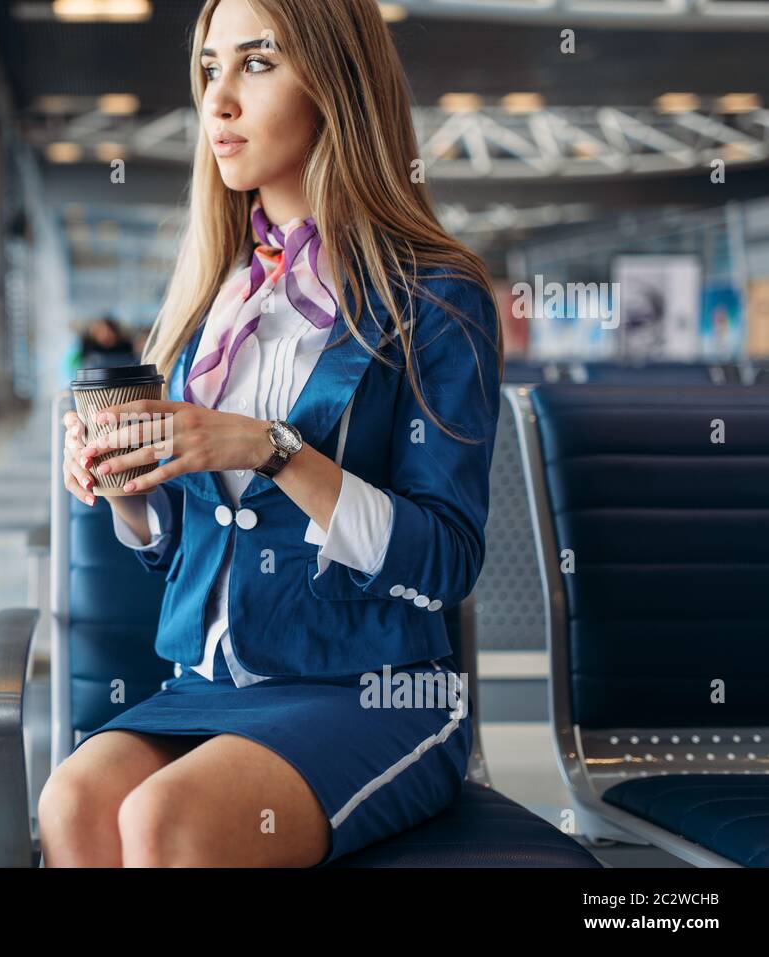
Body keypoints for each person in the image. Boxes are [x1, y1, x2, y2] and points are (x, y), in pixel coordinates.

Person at [43, 0, 502, 867]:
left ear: (337, 83)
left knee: (162, 820)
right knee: (72, 802)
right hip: (207, 683)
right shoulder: (211, 300)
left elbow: (445, 560)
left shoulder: (439, 299)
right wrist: (128, 491)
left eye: (257, 63)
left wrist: (272, 448)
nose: (217, 101)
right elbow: (172, 548)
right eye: (211, 69)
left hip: (372, 689)